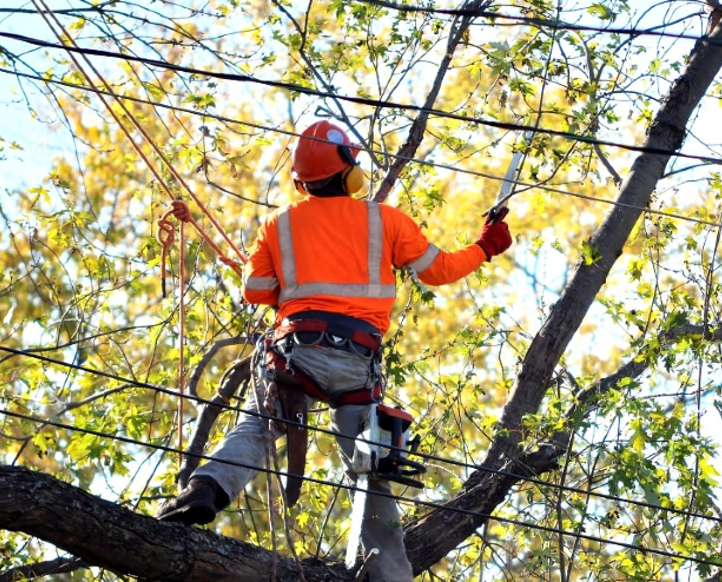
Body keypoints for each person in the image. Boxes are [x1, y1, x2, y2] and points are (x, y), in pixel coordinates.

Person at [156, 120, 512, 581]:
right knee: (368, 469)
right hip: (355, 363)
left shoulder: (279, 223)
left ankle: (205, 488)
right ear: (348, 173)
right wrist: (485, 246)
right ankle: (390, 573)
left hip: (294, 353)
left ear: (302, 180)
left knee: (259, 427)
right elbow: (438, 270)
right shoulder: (386, 219)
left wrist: (293, 281)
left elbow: (256, 289)